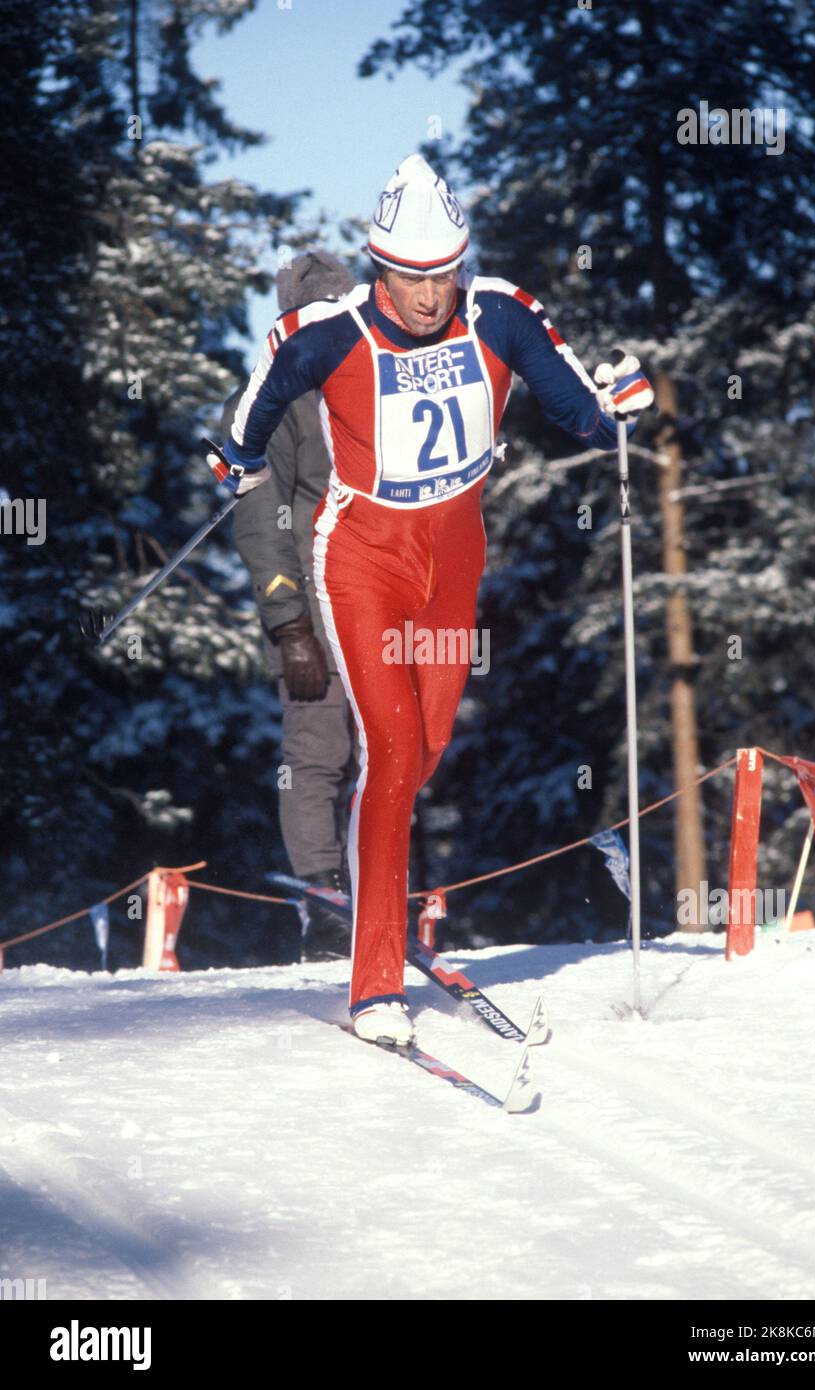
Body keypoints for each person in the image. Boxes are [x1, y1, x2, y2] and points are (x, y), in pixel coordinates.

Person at [215, 153, 653, 1044]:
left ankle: (363, 868)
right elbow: (250, 415)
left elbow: (582, 411)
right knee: (389, 747)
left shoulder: (497, 314)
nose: (429, 294)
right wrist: (242, 464)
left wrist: (623, 404)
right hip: (362, 559)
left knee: (426, 749)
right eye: (411, 276)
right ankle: (373, 978)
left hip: (453, 558)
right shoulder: (331, 334)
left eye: (443, 272)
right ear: (380, 267)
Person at [222, 252, 357, 959]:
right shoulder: (269, 397)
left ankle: (384, 888)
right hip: (313, 602)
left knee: (396, 749)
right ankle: (326, 907)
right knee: (317, 755)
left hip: (386, 599)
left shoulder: (373, 376)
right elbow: (257, 515)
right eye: (316, 312)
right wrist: (290, 624)